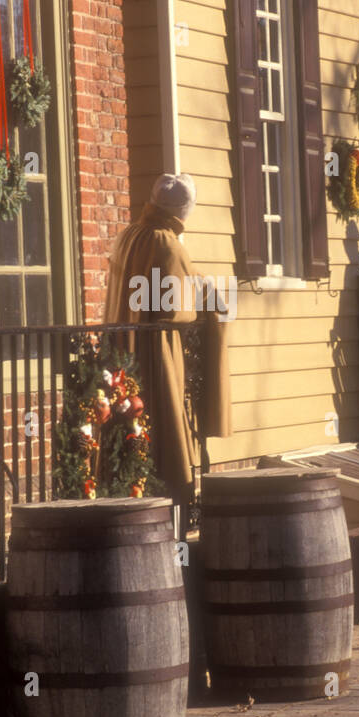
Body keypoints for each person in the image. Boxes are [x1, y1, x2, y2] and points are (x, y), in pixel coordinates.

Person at [105, 173, 231, 512]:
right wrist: (213, 300)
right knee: (163, 432)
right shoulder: (166, 243)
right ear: (183, 210)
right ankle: (169, 503)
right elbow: (174, 309)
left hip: (122, 347)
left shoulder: (130, 234)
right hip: (155, 353)